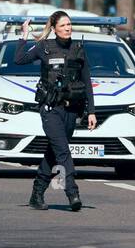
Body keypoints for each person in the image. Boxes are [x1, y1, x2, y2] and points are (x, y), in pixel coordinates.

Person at [14, 11, 97, 211]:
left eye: (69, 24)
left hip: (71, 111)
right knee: (63, 152)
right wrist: (23, 36)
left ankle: (37, 193)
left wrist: (92, 111)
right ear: (54, 29)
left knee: (53, 153)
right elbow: (19, 59)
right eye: (63, 25)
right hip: (51, 110)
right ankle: (73, 193)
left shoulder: (78, 49)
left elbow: (86, 82)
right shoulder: (44, 47)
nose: (68, 28)